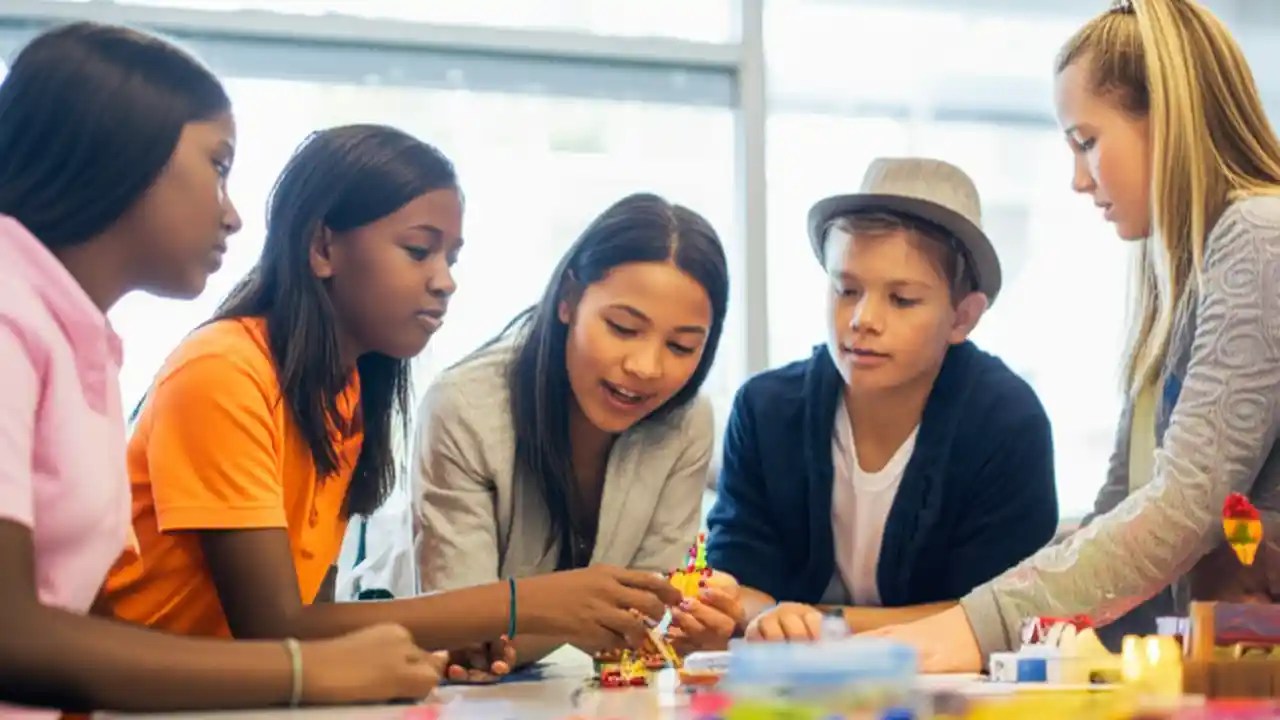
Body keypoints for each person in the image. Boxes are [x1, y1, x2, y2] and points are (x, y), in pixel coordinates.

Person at [99, 124, 682, 675]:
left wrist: (413, 653)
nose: (444, 280)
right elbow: (274, 624)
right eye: (418, 250)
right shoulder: (225, 369)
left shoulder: (348, 394)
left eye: (450, 257)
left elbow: (318, 620)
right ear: (323, 246)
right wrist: (523, 602)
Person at [0, 22, 443, 716]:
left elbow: (80, 626)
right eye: (217, 165)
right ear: (122, 151)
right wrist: (309, 671)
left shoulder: (79, 339)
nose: (233, 215)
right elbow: (11, 636)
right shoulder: (10, 319)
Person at [868, 0, 1280, 672]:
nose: (1079, 179)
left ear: (1167, 119)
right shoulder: (1178, 285)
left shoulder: (1260, 236)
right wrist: (1002, 635)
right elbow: (1121, 508)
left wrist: (971, 629)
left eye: (1087, 141)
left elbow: (1185, 509)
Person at [689, 158, 1058, 649]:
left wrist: (816, 623)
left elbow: (1001, 609)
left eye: (902, 299)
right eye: (847, 290)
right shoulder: (764, 411)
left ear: (962, 318)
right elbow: (737, 583)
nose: (863, 319)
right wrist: (769, 616)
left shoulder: (1007, 422)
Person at [413, 192, 729, 678]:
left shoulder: (687, 420)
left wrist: (687, 627)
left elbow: (647, 618)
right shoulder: (466, 407)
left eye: (682, 346)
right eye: (623, 328)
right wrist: (588, 619)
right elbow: (463, 629)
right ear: (567, 300)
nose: (646, 368)